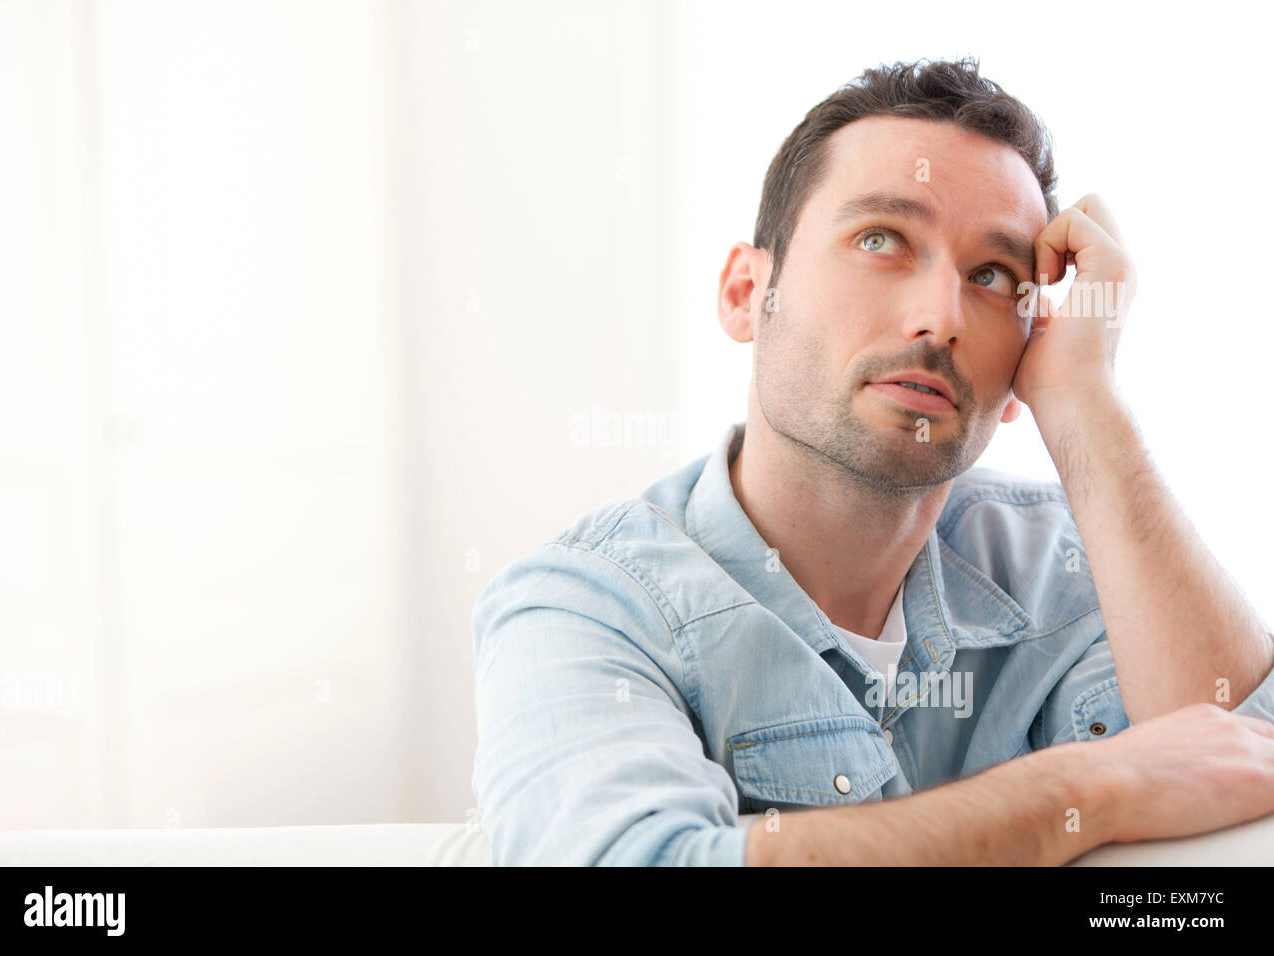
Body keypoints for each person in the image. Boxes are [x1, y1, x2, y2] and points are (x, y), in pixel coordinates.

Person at [469, 57, 1274, 866]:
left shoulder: (1066, 567)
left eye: (992, 275)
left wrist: (1087, 404)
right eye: (881, 239)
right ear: (748, 294)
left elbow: (1244, 760)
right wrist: (1087, 789)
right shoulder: (586, 605)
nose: (939, 318)